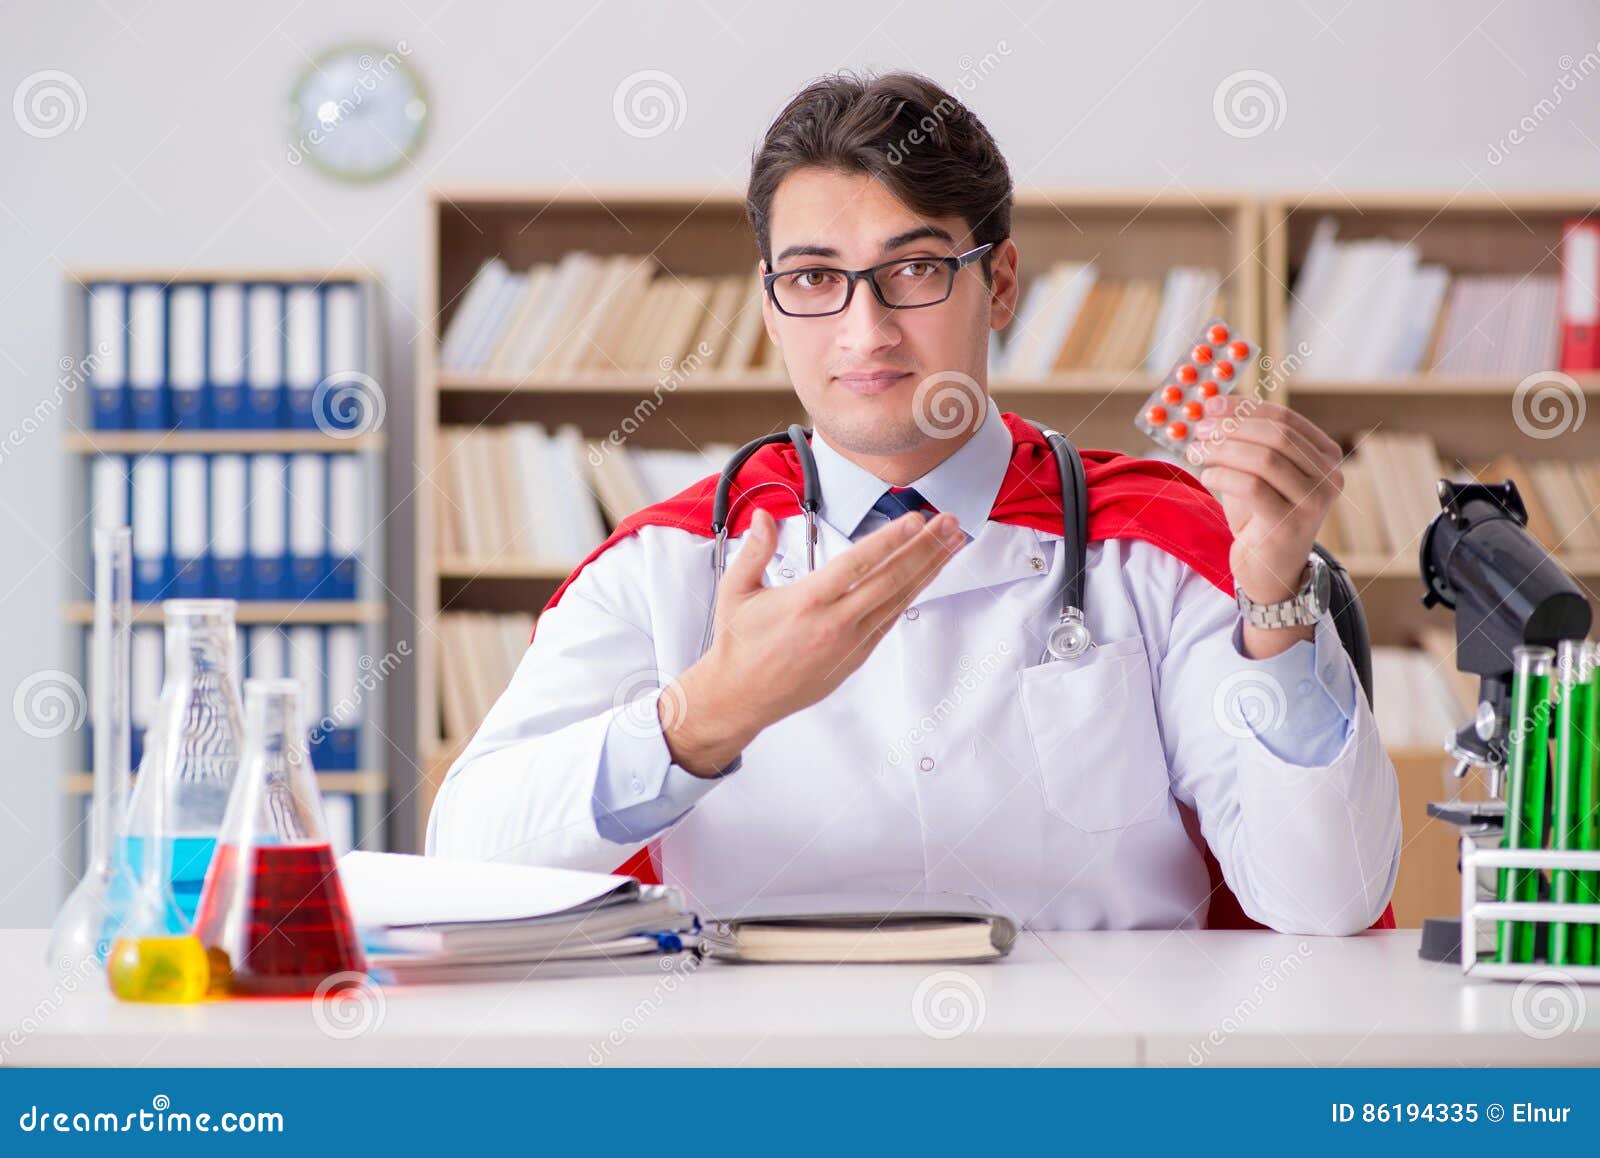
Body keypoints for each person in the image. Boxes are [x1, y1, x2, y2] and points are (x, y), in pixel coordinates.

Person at [426, 70, 1401, 934]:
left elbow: (1325, 900)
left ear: (1000, 283)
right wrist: (705, 716)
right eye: (814, 278)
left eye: (915, 270)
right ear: (770, 309)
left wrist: (1274, 597)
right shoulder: (662, 562)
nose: (866, 330)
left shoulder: (1158, 541)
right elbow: (466, 860)